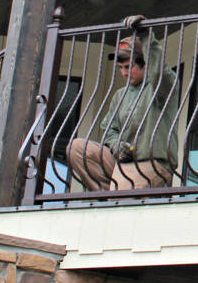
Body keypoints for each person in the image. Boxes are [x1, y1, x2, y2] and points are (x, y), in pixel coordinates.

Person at [67, 24, 180, 191]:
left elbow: (160, 72)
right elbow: (109, 129)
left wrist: (146, 37)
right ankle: (111, 196)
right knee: (76, 148)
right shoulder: (120, 94)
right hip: (122, 163)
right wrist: (115, 144)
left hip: (153, 163)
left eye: (129, 67)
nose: (124, 73)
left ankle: (116, 196)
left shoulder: (161, 86)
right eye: (120, 68)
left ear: (145, 63)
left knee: (121, 192)